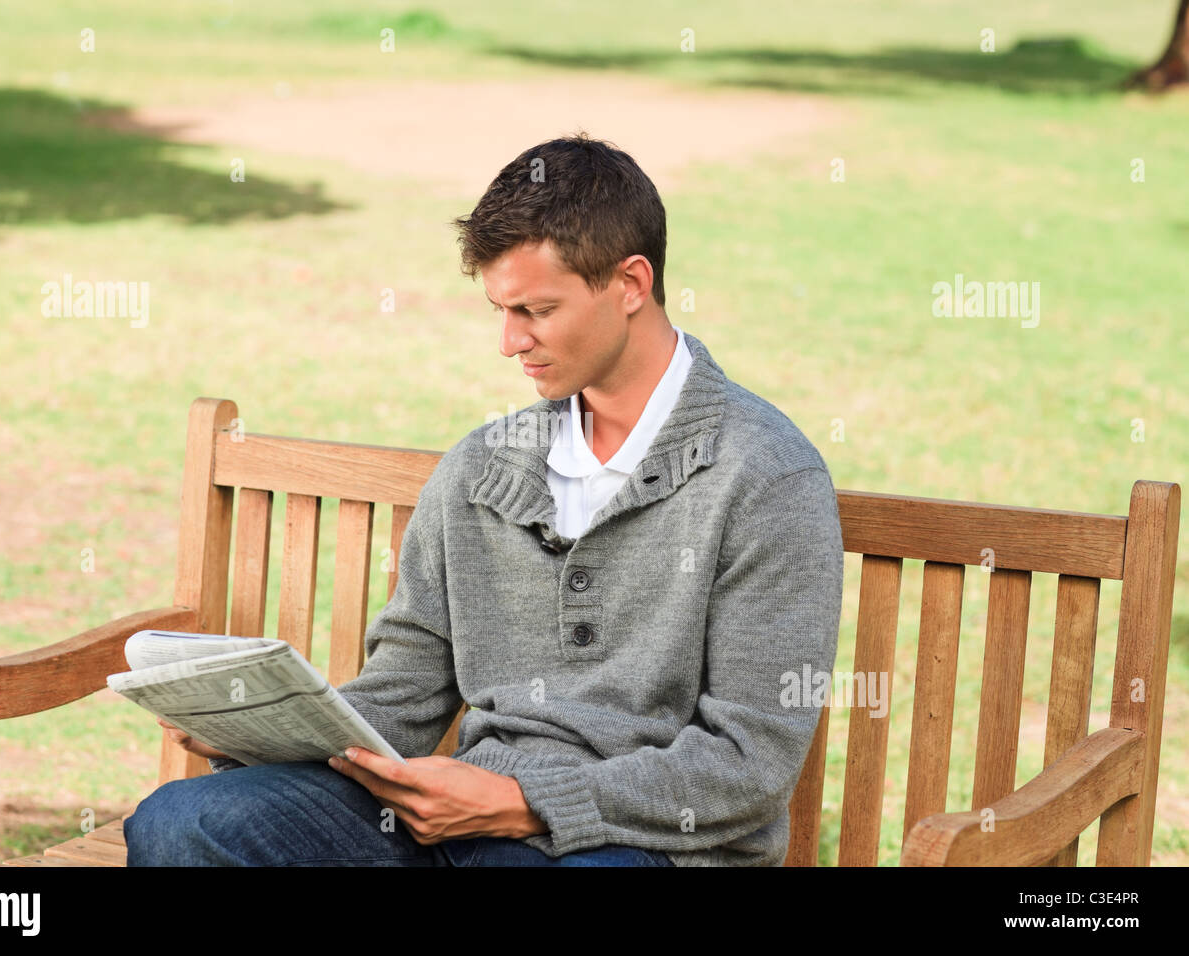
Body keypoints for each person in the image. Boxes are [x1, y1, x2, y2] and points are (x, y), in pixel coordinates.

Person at [125, 132, 844, 866]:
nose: (509, 341)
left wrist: (523, 804)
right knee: (185, 822)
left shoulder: (765, 478)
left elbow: (747, 765)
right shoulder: (481, 467)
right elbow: (401, 701)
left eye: (536, 309)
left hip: (636, 846)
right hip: (447, 825)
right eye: (501, 309)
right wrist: (255, 733)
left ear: (630, 284)